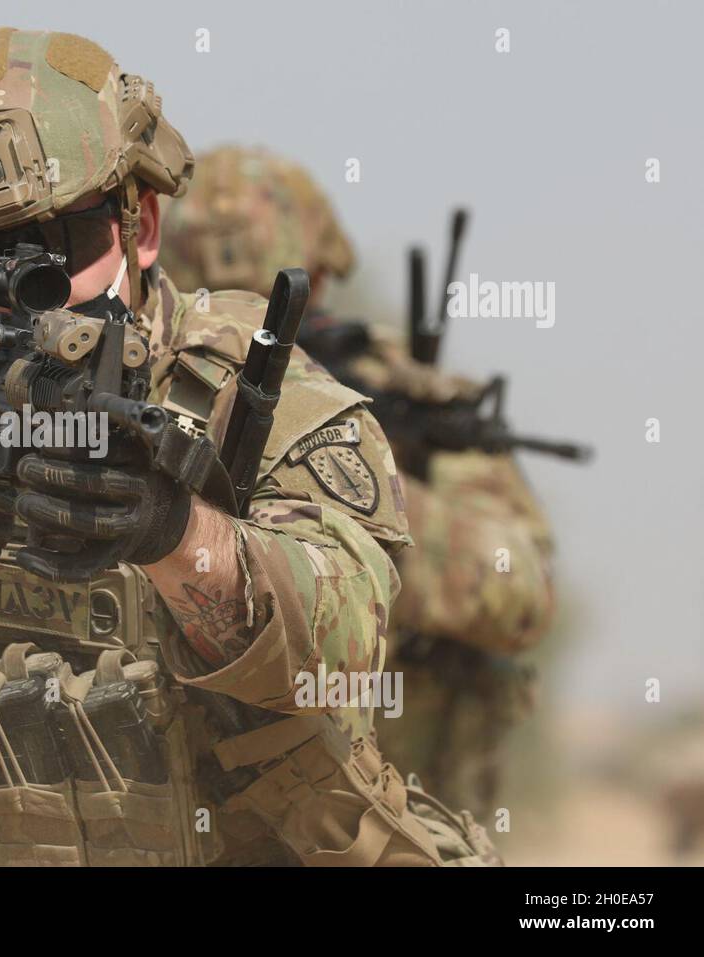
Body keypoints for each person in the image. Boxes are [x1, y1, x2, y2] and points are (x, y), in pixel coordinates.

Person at [0, 28, 498, 866]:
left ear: (143, 226)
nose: (31, 293)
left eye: (69, 241)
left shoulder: (251, 389)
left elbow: (349, 660)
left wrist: (181, 538)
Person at [160, 145, 556, 817]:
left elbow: (522, 593)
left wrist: (357, 495)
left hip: (390, 801)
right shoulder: (148, 388)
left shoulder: (401, 394)